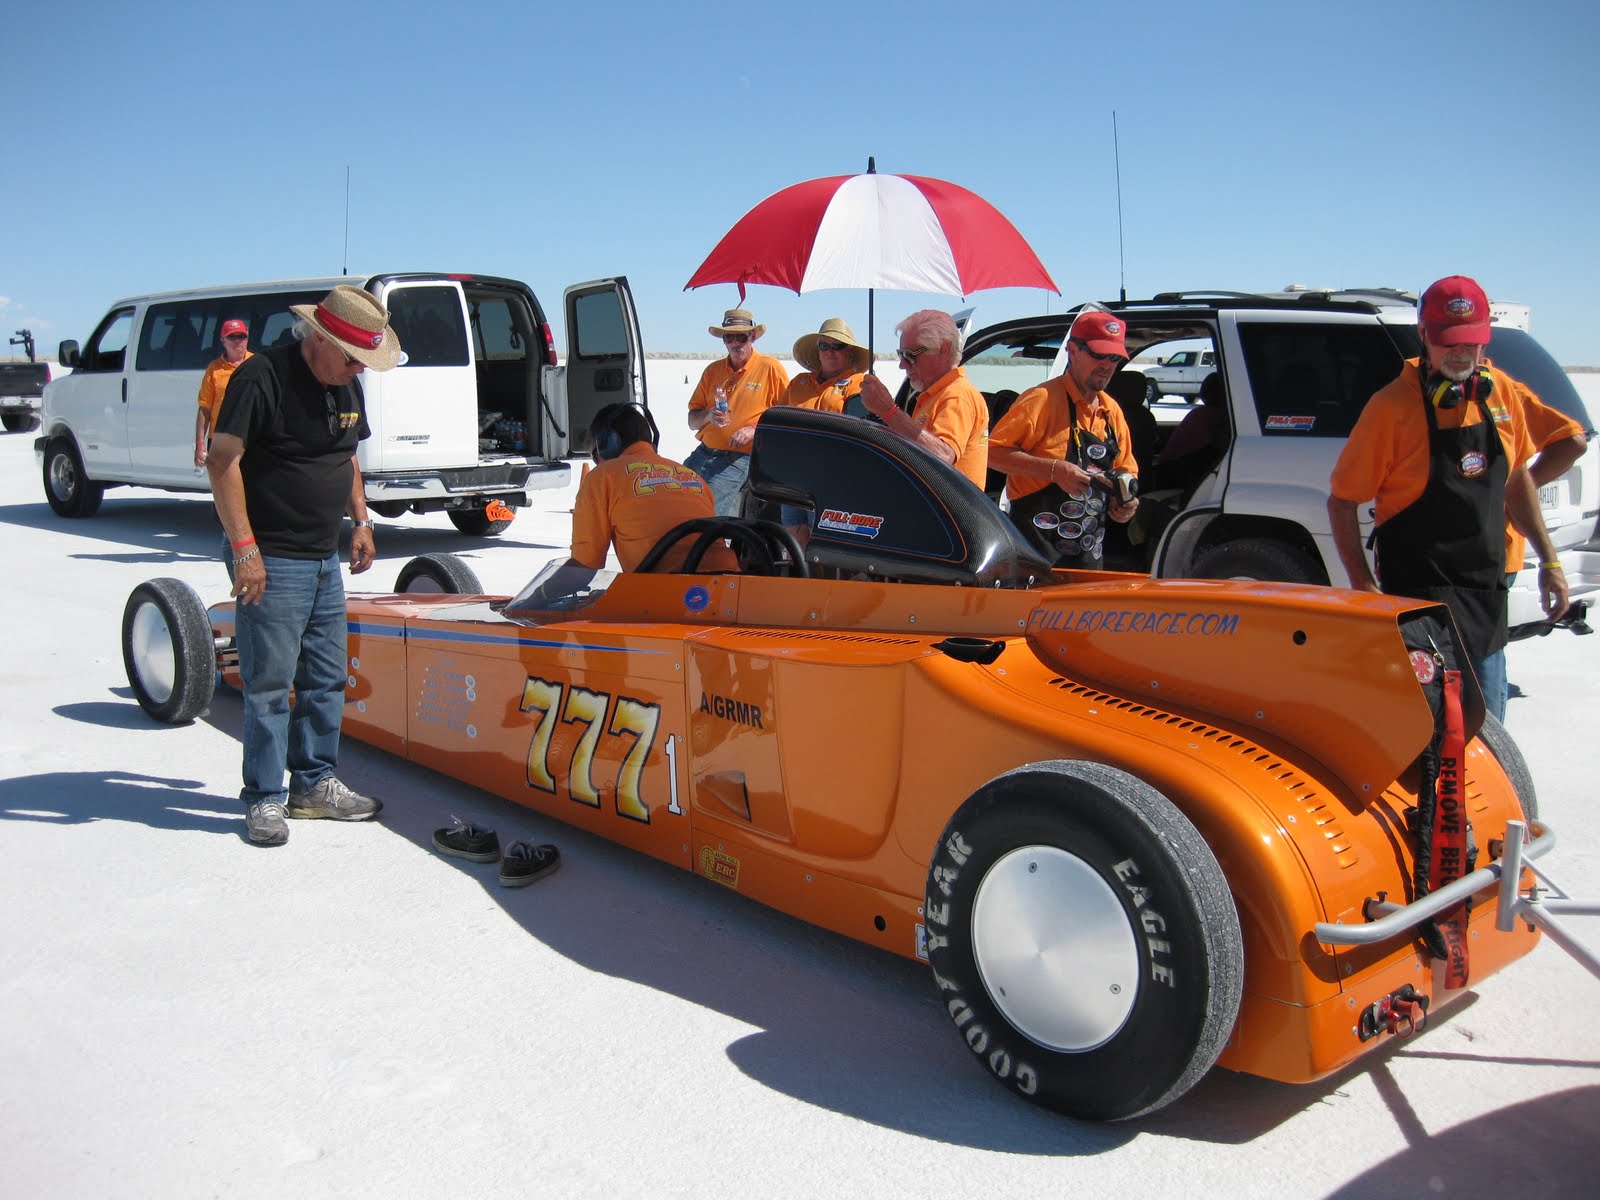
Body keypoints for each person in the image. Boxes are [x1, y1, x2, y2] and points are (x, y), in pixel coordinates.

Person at [206, 285, 401, 846]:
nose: (357, 369)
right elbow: (222, 461)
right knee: (270, 684)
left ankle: (313, 785)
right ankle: (264, 798)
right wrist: (245, 549)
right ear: (319, 339)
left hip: (322, 557)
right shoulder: (261, 376)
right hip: (271, 556)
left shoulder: (345, 382)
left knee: (325, 678)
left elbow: (347, 454)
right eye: (352, 358)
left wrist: (361, 520)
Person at [1328, 275, 1569, 721]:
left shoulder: (1502, 392)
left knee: (1488, 723)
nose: (1460, 353)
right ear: (1423, 335)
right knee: (1425, 722)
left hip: (1485, 591)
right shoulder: (1390, 408)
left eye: (1471, 343)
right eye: (1448, 342)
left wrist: (1549, 562)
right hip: (1416, 595)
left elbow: (1517, 478)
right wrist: (1364, 587)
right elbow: (1342, 501)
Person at [987, 310, 1141, 567]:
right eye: (1098, 355)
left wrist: (1125, 503)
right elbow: (992, 453)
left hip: (1089, 557)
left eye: (1114, 357)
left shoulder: (1111, 411)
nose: (1107, 365)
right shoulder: (1042, 400)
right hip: (1036, 554)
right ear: (1072, 350)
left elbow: (1126, 471)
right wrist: (1054, 470)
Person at [858, 309, 988, 489]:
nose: (902, 364)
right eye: (901, 354)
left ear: (943, 349)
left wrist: (889, 411)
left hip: (948, 505)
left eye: (910, 355)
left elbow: (943, 456)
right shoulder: (936, 395)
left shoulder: (957, 395)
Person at [685, 308, 789, 516]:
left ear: (752, 337)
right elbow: (692, 421)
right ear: (723, 339)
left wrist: (754, 429)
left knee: (707, 512)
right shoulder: (713, 370)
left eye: (741, 337)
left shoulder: (770, 368)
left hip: (741, 457)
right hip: (704, 451)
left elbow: (787, 417)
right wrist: (708, 415)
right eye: (729, 337)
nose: (735, 343)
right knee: (673, 497)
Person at [194, 319, 252, 468]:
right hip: (221, 439)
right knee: (222, 482)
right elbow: (205, 408)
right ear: (223, 341)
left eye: (241, 336)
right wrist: (200, 444)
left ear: (247, 338)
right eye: (232, 337)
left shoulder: (258, 363)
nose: (237, 341)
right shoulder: (214, 369)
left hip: (252, 438)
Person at [782, 318, 871, 415]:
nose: (830, 351)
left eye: (837, 346)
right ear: (818, 352)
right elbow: (778, 417)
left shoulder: (859, 383)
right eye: (824, 346)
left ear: (850, 352)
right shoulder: (798, 381)